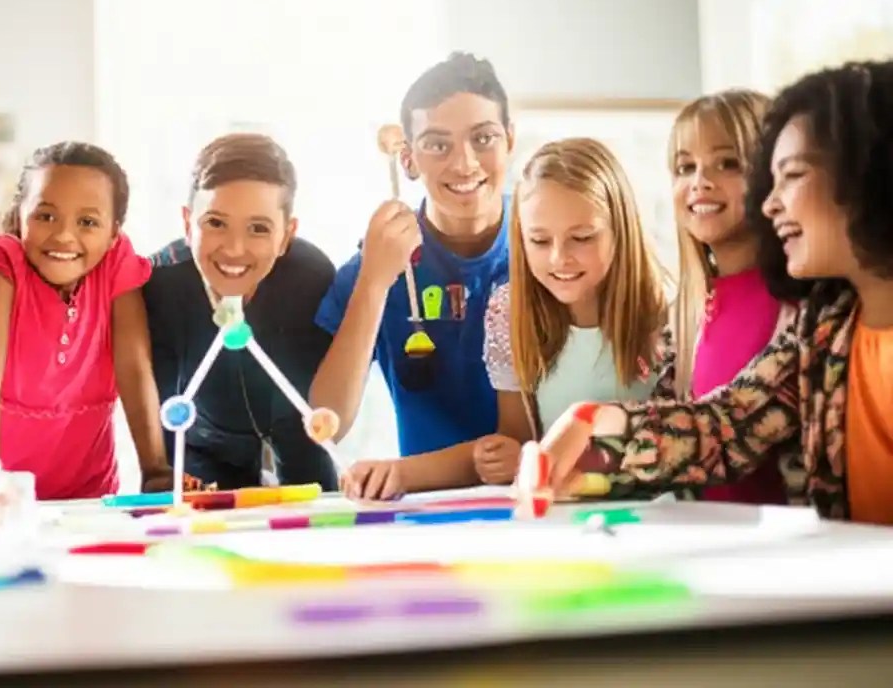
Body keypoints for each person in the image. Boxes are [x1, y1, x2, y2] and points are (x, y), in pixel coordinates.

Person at [541, 61, 893, 525]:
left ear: (865, 173)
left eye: (791, 176)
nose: (769, 203)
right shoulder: (826, 327)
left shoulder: (802, 313)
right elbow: (727, 425)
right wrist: (597, 430)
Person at [342, 138, 667, 499]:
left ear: (620, 230)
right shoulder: (511, 313)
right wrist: (399, 473)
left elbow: (687, 438)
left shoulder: (665, 314)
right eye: (540, 241)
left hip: (656, 514)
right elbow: (513, 442)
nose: (560, 258)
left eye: (582, 237)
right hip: (558, 516)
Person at [313, 52, 518, 487]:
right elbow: (328, 421)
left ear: (510, 142)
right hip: (426, 511)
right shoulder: (376, 264)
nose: (464, 163)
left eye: (483, 138)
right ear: (407, 160)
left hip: (542, 499)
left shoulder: (549, 247)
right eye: (438, 145)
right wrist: (373, 282)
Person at [0, 141, 189, 498]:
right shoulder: (3, 264)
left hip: (91, 495)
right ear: (18, 215)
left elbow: (134, 368)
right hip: (4, 494)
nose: (64, 235)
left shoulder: (116, 264)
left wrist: (155, 468)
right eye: (45, 216)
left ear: (114, 232)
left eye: (87, 222)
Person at [144, 134, 338, 489]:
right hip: (207, 437)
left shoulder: (311, 278)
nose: (234, 249)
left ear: (286, 235)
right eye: (215, 223)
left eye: (259, 229)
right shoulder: (161, 282)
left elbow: (317, 413)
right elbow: (164, 411)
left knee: (320, 513)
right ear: (188, 223)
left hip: (295, 429)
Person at [666, 89, 789, 505]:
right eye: (685, 167)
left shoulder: (792, 303)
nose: (700, 181)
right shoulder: (688, 310)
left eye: (728, 163)